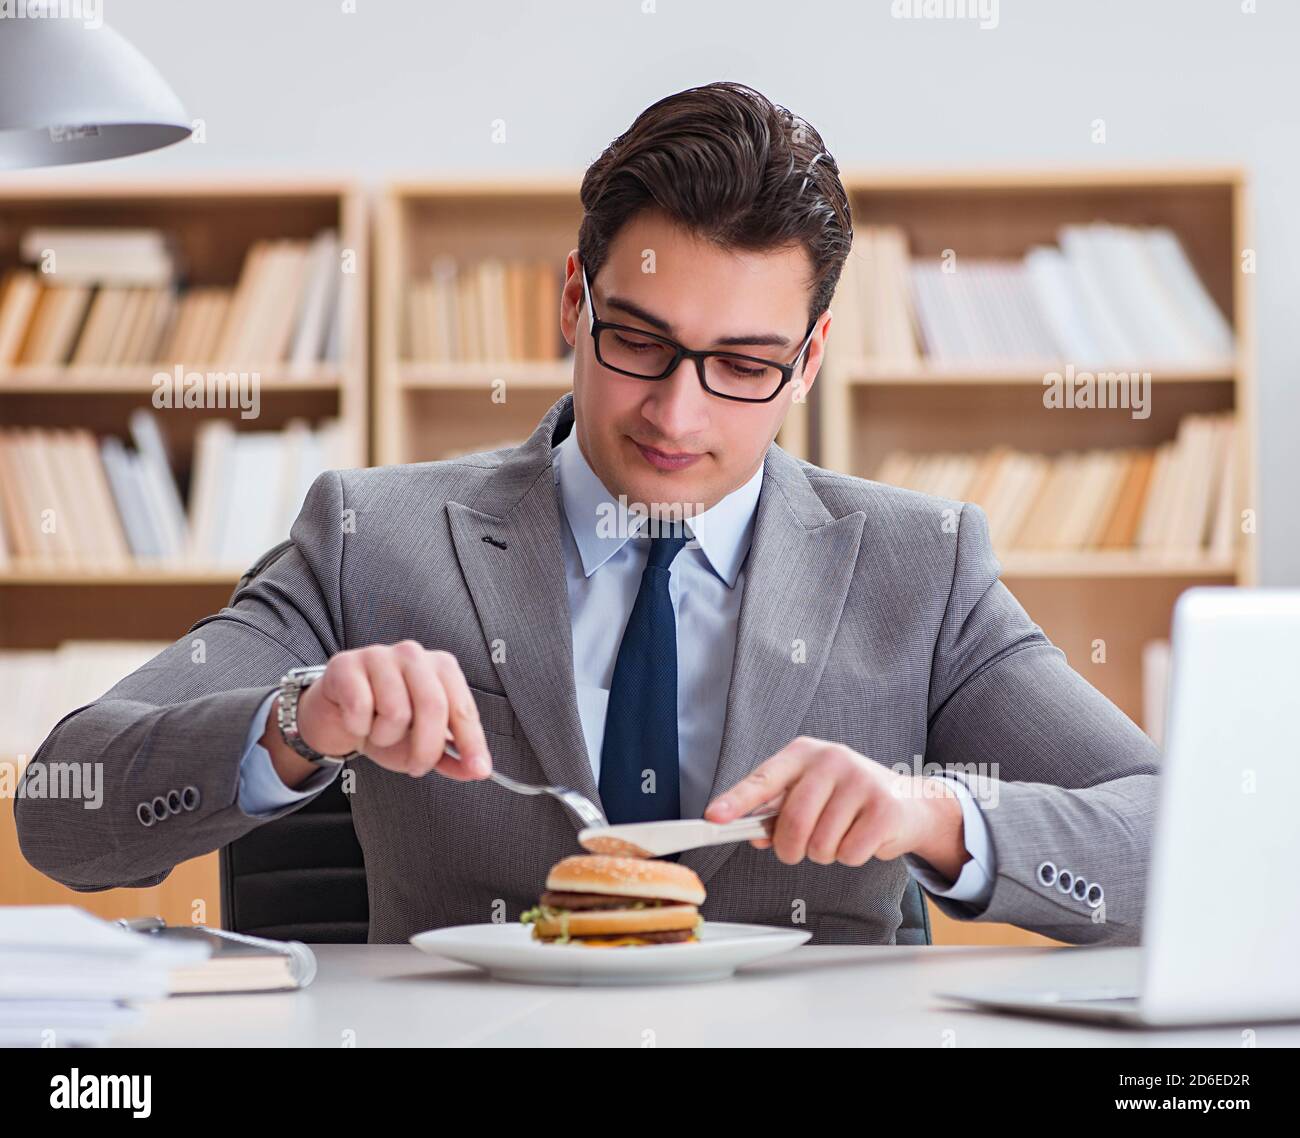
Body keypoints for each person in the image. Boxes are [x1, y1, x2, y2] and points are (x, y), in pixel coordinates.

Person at [17, 81, 1158, 945]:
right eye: (639, 339)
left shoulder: (921, 568)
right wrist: (292, 721)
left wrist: (939, 817)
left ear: (809, 360)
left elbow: (1185, 839)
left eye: (743, 366)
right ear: (574, 297)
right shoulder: (369, 535)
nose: (677, 410)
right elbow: (61, 807)